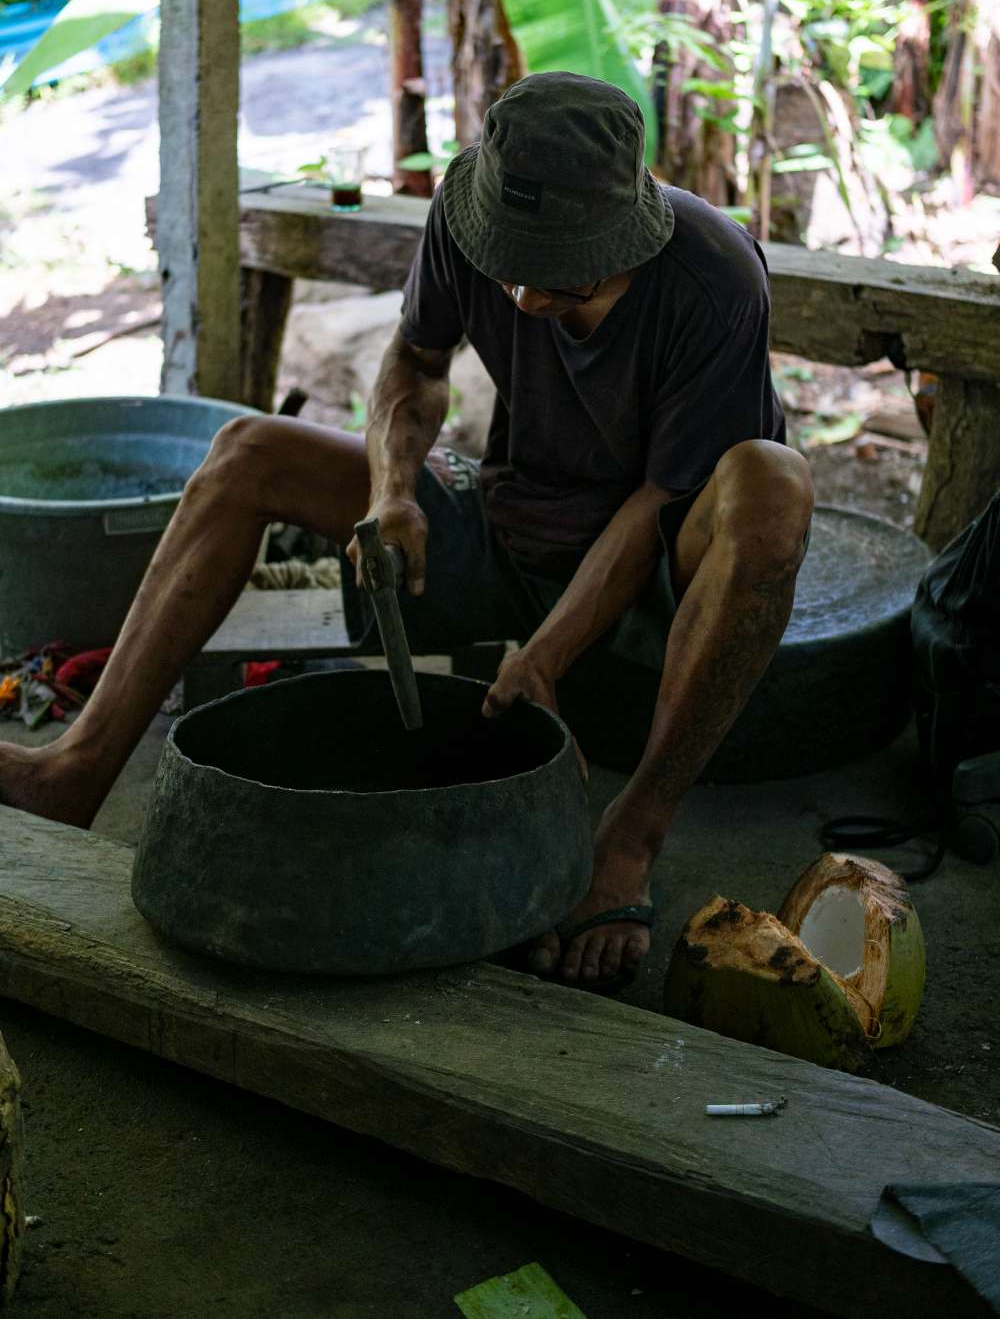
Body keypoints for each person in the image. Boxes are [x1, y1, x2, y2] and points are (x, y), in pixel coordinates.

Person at [0, 71, 813, 992]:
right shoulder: (469, 212)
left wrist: (546, 654)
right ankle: (74, 770)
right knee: (246, 452)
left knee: (772, 487)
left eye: (557, 275)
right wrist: (392, 494)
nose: (522, 297)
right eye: (508, 266)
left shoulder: (713, 278)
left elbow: (658, 503)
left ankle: (628, 842)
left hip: (659, 577)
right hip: (513, 523)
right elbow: (418, 362)